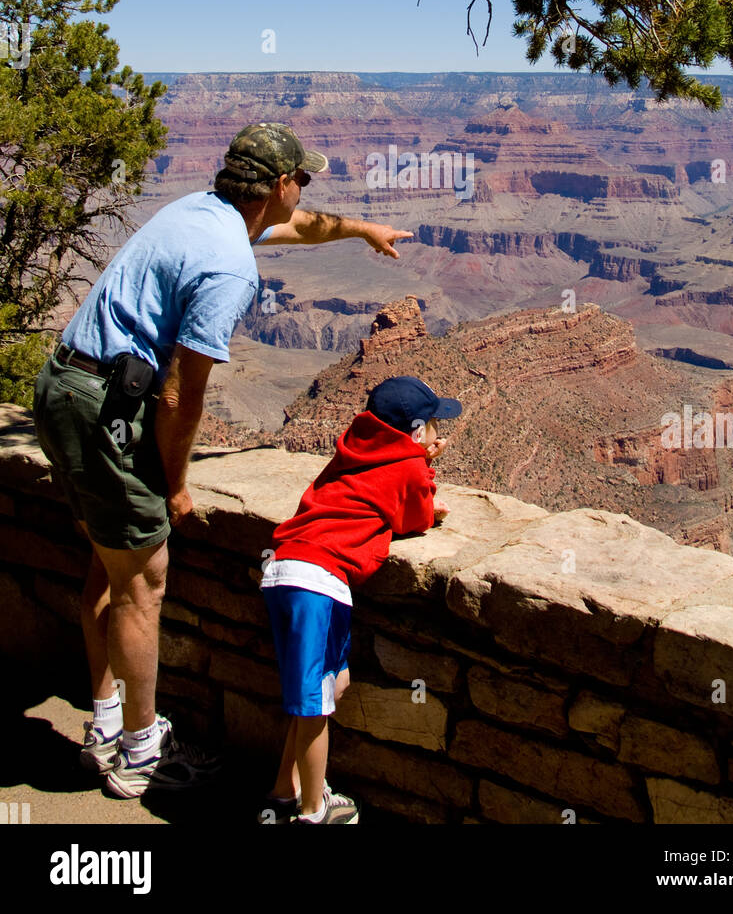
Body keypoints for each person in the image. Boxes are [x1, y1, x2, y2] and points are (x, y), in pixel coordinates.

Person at [31, 122, 413, 798]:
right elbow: (182, 396)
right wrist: (175, 486)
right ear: (278, 185)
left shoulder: (198, 211)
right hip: (101, 410)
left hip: (67, 383)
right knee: (143, 580)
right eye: (304, 179)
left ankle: (106, 723)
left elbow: (295, 229)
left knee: (108, 560)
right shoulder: (228, 268)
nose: (307, 189)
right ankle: (141, 752)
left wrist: (359, 228)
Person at [259, 375, 461, 825]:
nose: (435, 431)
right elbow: (415, 518)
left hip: (286, 567)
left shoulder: (355, 445)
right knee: (314, 702)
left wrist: (417, 457)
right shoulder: (410, 465)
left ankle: (283, 788)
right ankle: (313, 810)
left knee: (334, 683)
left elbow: (373, 487)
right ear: (413, 431)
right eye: (430, 424)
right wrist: (425, 468)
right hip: (317, 580)